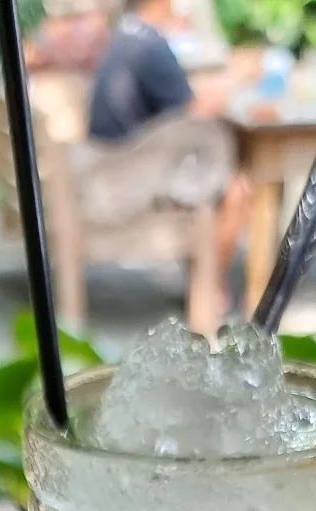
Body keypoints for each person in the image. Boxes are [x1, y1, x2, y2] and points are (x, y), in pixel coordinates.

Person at [86, 0, 249, 313]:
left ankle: (206, 284)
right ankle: (210, 290)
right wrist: (237, 80)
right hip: (126, 179)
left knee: (214, 175)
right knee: (235, 188)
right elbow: (194, 110)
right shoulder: (150, 47)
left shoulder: (125, 36)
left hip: (108, 164)